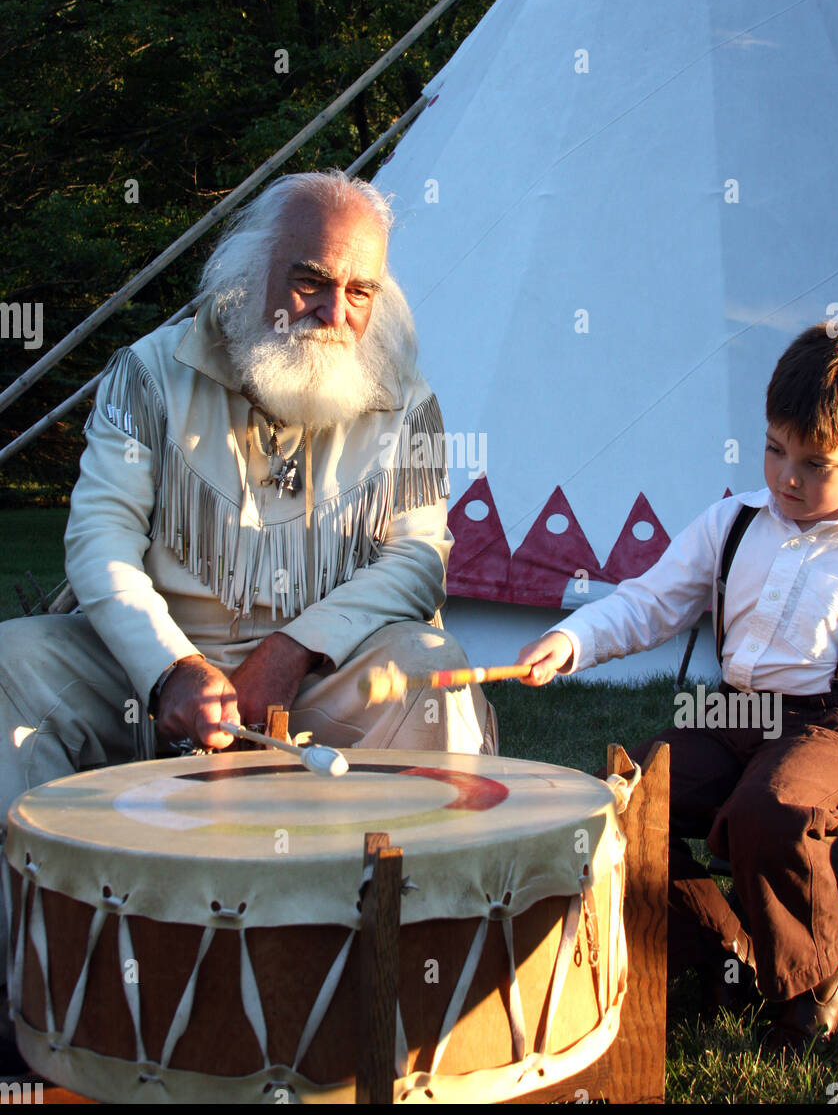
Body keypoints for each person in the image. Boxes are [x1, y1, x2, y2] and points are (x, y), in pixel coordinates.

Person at [0, 169, 494, 1069]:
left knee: (429, 667)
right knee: (10, 664)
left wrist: (297, 648)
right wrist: (167, 668)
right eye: (309, 278)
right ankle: (33, 988)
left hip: (318, 684)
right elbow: (102, 537)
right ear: (250, 270)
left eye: (359, 291)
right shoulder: (146, 374)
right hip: (145, 680)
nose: (333, 312)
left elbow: (418, 556)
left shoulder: (408, 399)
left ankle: (431, 989)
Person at [516, 324, 838, 1053]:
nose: (787, 478)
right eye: (774, 450)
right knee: (620, 799)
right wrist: (574, 638)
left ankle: (815, 980)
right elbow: (649, 601)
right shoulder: (733, 522)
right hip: (734, 708)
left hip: (832, 724)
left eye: (815, 463)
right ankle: (721, 948)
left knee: (771, 811)